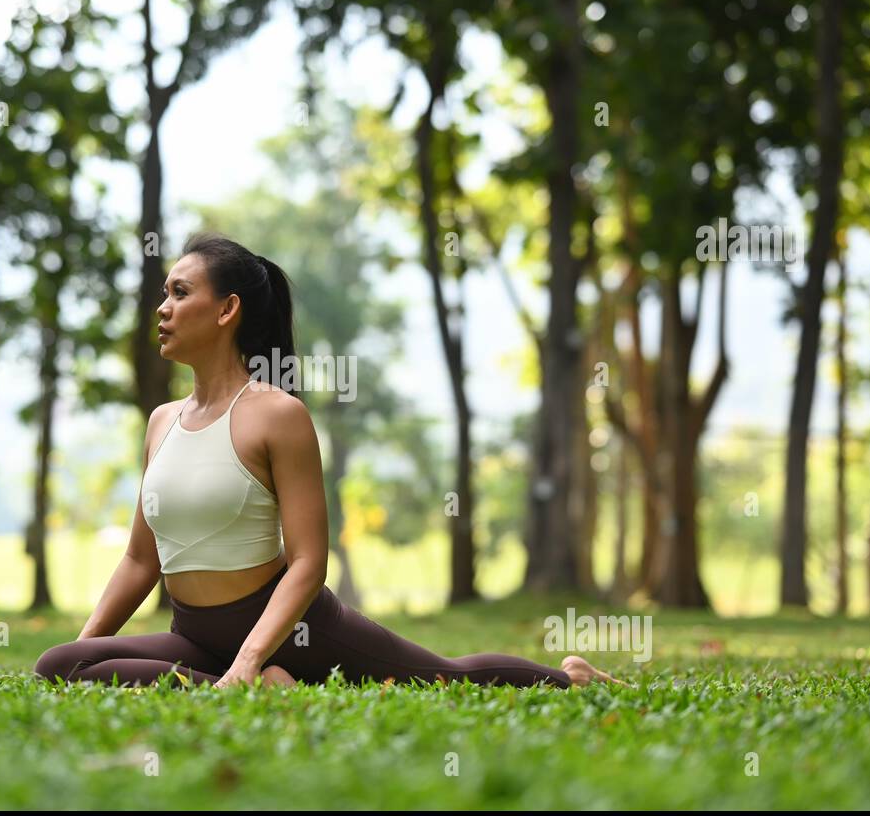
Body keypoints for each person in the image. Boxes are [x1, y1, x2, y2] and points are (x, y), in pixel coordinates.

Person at [33, 232, 624, 691]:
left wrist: (251, 656)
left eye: (180, 293)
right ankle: (254, 689)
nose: (162, 308)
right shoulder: (162, 421)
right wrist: (86, 652)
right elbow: (141, 558)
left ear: (226, 310)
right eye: (165, 293)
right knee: (57, 664)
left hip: (295, 631)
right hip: (193, 634)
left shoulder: (277, 414)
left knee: (447, 677)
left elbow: (310, 561)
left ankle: (569, 677)